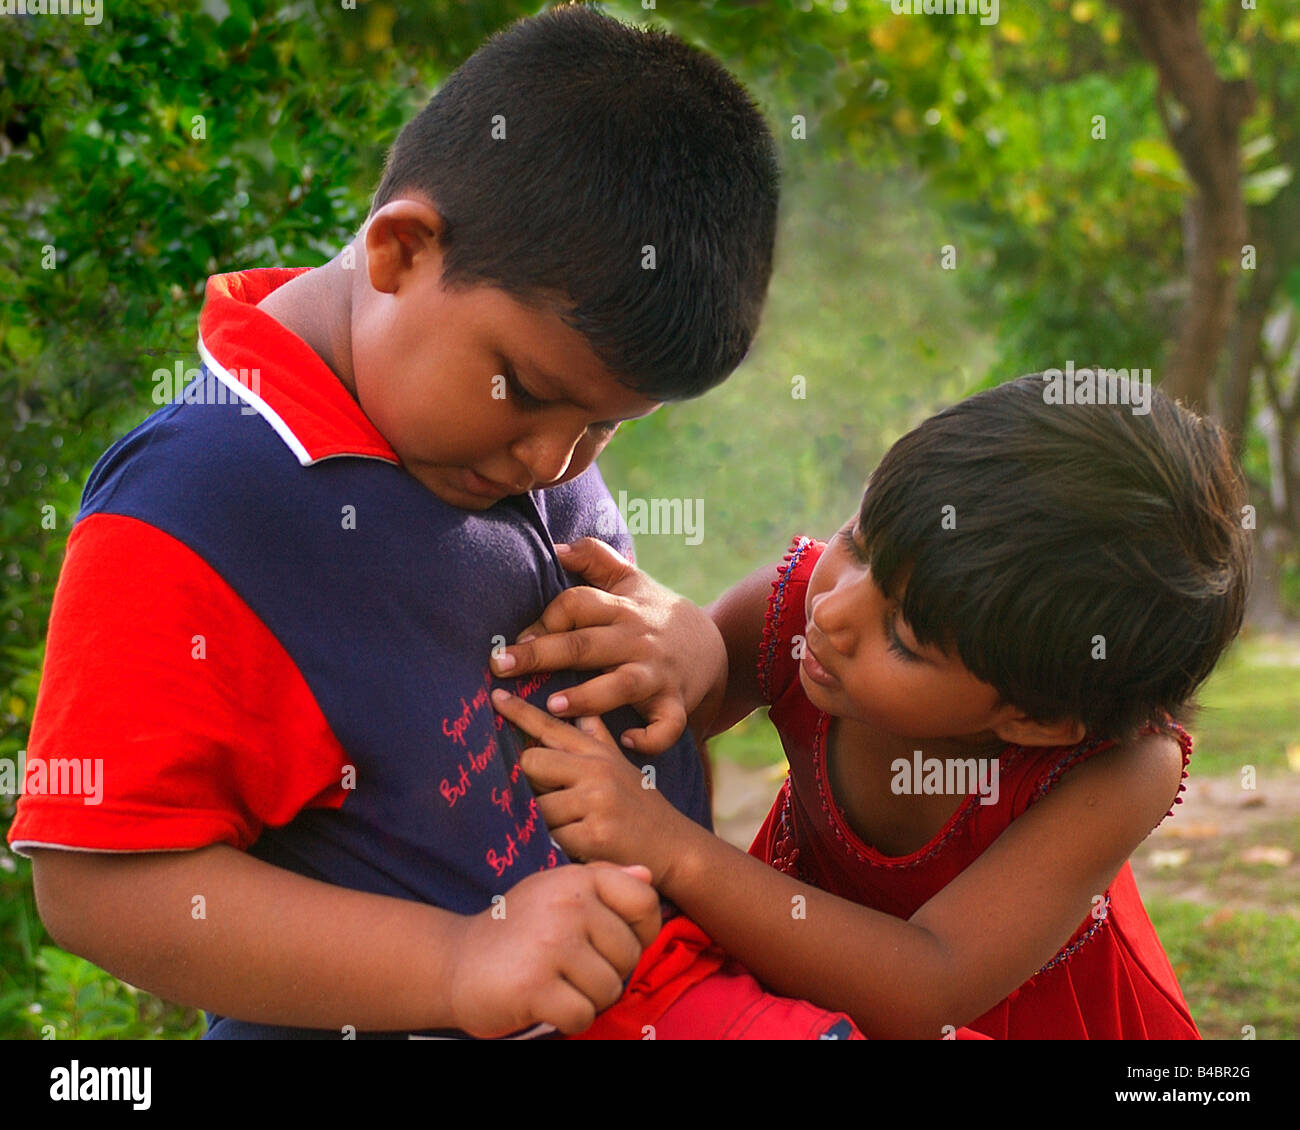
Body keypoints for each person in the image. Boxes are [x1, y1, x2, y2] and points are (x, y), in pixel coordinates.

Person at [8, 4, 853, 1039]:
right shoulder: (196, 506)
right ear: (401, 251)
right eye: (523, 389)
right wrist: (457, 959)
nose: (551, 459)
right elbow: (96, 886)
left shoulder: (495, 429)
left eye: (603, 427)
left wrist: (685, 651)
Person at [489, 374, 1252, 1038]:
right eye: (860, 538)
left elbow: (932, 989)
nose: (837, 610)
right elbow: (681, 704)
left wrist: (678, 852)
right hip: (796, 967)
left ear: (1034, 719)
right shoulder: (796, 610)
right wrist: (683, 644)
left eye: (906, 636)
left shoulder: (1113, 772)